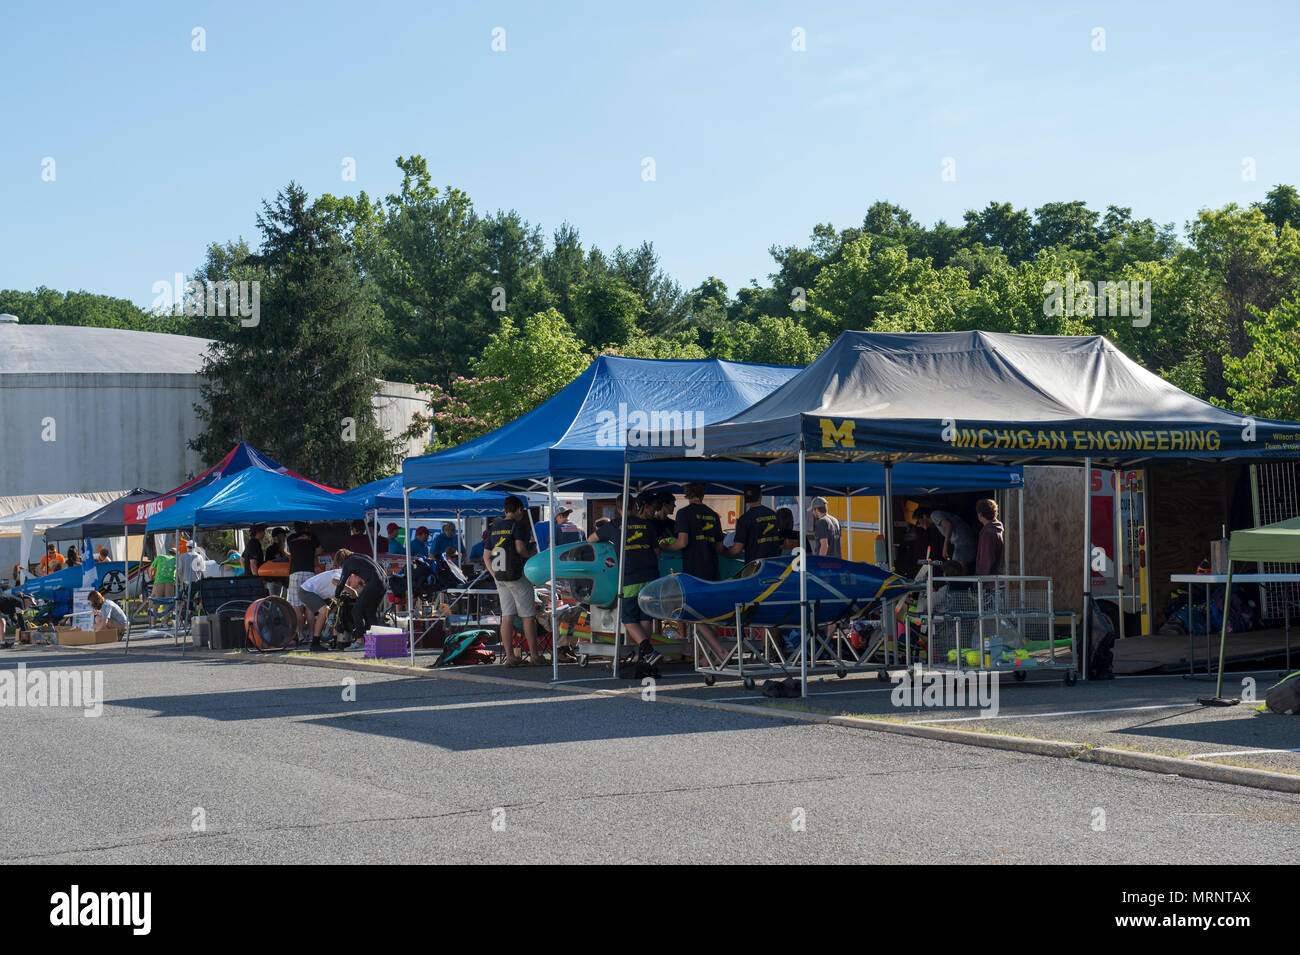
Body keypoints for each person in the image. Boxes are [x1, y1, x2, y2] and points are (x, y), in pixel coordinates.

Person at [591, 491, 663, 667]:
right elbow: (657, 552)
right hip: (651, 577)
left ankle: (648, 651)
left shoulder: (614, 525)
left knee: (628, 618)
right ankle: (645, 657)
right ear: (635, 506)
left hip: (630, 576)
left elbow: (590, 539)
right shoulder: (647, 525)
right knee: (645, 616)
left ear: (617, 508)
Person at [662, 483, 728, 659]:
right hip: (713, 568)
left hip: (694, 570)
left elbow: (682, 542)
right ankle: (707, 656)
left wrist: (666, 547)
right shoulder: (713, 515)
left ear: (686, 494)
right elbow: (720, 546)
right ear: (703, 493)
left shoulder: (684, 514)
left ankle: (716, 652)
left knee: (694, 615)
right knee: (711, 614)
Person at [487, 496, 542, 666]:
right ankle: (534, 656)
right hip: (517, 574)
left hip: (500, 575)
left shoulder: (494, 528)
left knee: (507, 616)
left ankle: (510, 656)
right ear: (519, 509)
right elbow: (519, 549)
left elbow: (485, 556)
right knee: (528, 616)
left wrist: (494, 574)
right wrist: (532, 553)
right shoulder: (518, 526)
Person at [332, 548, 387, 649]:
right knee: (370, 612)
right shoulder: (361, 556)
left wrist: (337, 595)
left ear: (340, 560)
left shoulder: (347, 563)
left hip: (374, 582)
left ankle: (359, 641)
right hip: (384, 582)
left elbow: (341, 582)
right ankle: (375, 642)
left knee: (356, 610)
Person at [727, 485, 782, 565]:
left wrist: (724, 552)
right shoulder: (773, 514)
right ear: (760, 496)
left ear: (746, 499)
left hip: (755, 568)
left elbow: (736, 550)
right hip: (774, 564)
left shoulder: (744, 519)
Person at [287, 522, 323, 638]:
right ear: (306, 527)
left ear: (295, 529)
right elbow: (319, 551)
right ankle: (312, 635)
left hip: (295, 573)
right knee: (309, 605)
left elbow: (289, 552)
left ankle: (300, 634)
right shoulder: (313, 536)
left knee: (297, 606)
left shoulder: (291, 538)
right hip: (309, 572)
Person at [914, 506, 977, 573]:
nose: (918, 525)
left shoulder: (934, 515)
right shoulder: (936, 519)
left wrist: (945, 546)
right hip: (963, 542)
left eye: (918, 522)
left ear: (924, 516)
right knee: (960, 568)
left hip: (963, 542)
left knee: (956, 569)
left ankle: (959, 583)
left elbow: (949, 525)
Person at [297, 567, 342, 651]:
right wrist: (351, 590)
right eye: (359, 583)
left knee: (336, 608)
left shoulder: (348, 577)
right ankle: (315, 643)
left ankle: (336, 640)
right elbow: (334, 581)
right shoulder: (341, 572)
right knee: (324, 610)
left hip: (319, 594)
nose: (358, 585)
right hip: (306, 591)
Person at [974, 499, 1006, 576]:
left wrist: (980, 580)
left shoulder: (987, 533)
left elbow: (986, 560)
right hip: (1000, 579)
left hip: (990, 583)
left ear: (980, 514)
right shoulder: (999, 529)